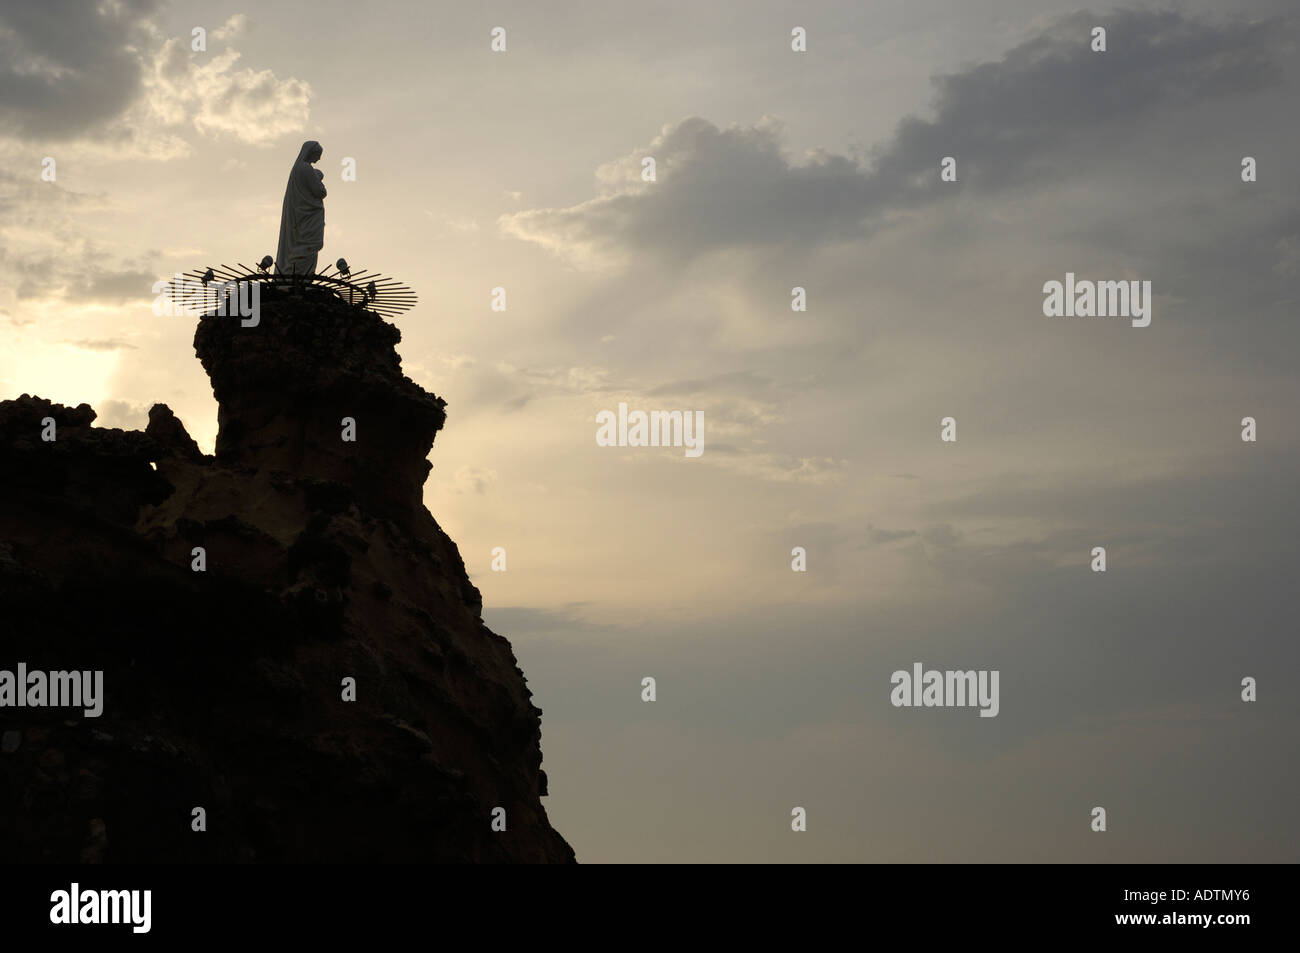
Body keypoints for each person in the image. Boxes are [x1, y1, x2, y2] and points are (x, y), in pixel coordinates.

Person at [276, 141, 327, 277]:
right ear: (310, 153)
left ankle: (300, 275)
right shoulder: (305, 168)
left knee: (301, 246)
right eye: (318, 155)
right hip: (306, 219)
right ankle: (301, 276)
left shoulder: (298, 169)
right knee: (307, 247)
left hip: (302, 216)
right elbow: (320, 191)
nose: (319, 158)